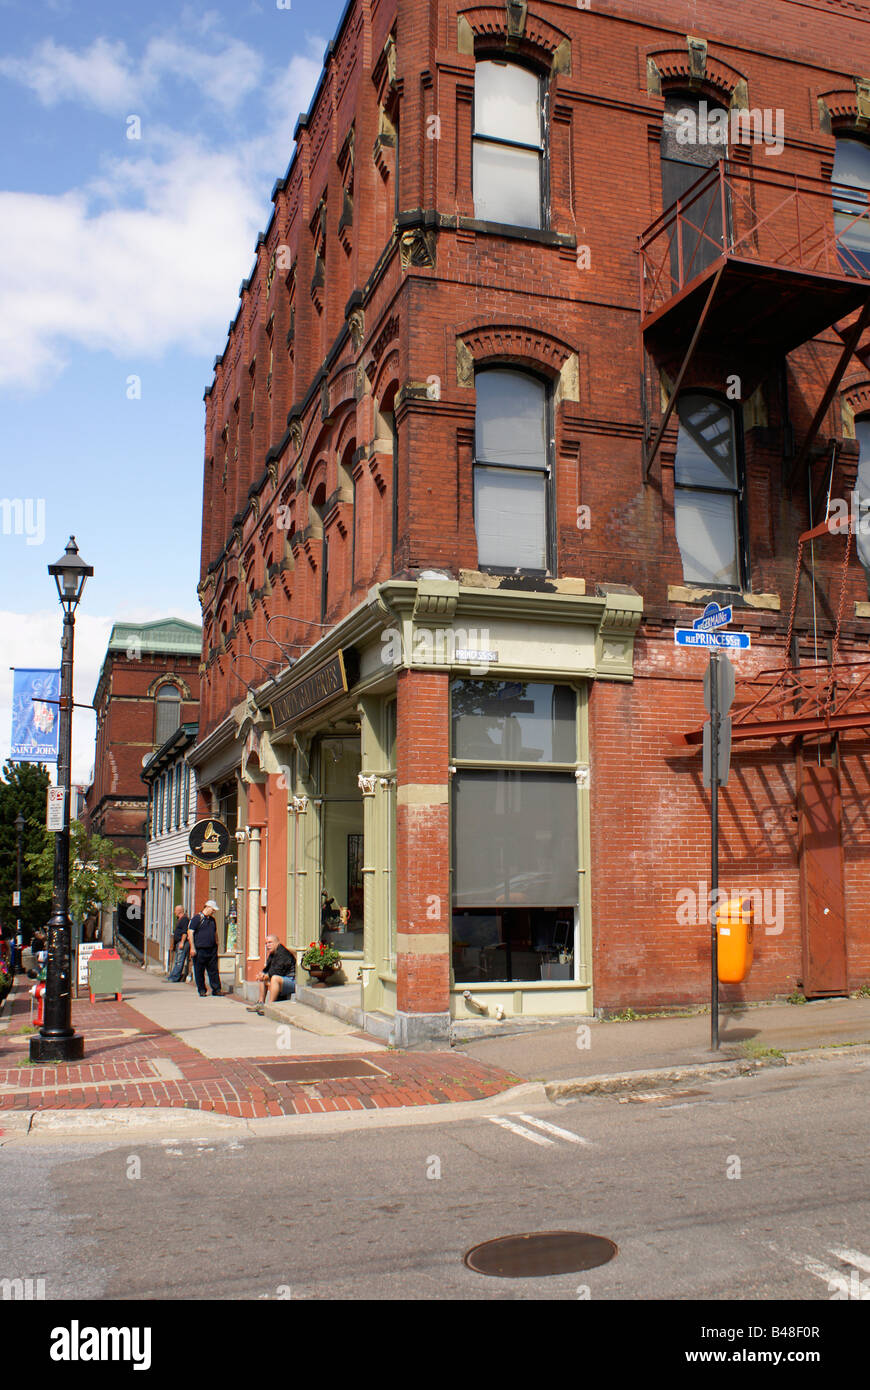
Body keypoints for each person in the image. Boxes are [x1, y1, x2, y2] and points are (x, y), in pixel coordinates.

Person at [247, 934, 296, 1015]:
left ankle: (270, 1005)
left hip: (291, 981)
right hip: (282, 979)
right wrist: (262, 974)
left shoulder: (283, 953)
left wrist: (266, 976)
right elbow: (268, 969)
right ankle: (261, 1003)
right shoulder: (273, 954)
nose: (267, 945)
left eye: (270, 942)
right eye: (266, 943)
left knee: (274, 978)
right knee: (263, 976)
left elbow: (278, 971)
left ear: (277, 943)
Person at [187, 900, 223, 997]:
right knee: (199, 971)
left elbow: (215, 933)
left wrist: (217, 942)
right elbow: (190, 933)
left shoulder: (212, 920)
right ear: (207, 907)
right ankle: (202, 990)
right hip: (200, 949)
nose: (213, 912)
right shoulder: (197, 918)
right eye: (213, 909)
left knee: (213, 970)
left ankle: (216, 989)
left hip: (211, 949)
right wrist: (192, 948)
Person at [167, 905, 191, 982]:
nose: (174, 912)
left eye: (175, 911)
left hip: (182, 942)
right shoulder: (179, 919)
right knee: (177, 960)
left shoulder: (184, 920)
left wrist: (182, 942)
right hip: (178, 942)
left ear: (180, 911)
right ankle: (172, 976)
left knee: (179, 960)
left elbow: (185, 932)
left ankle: (175, 977)